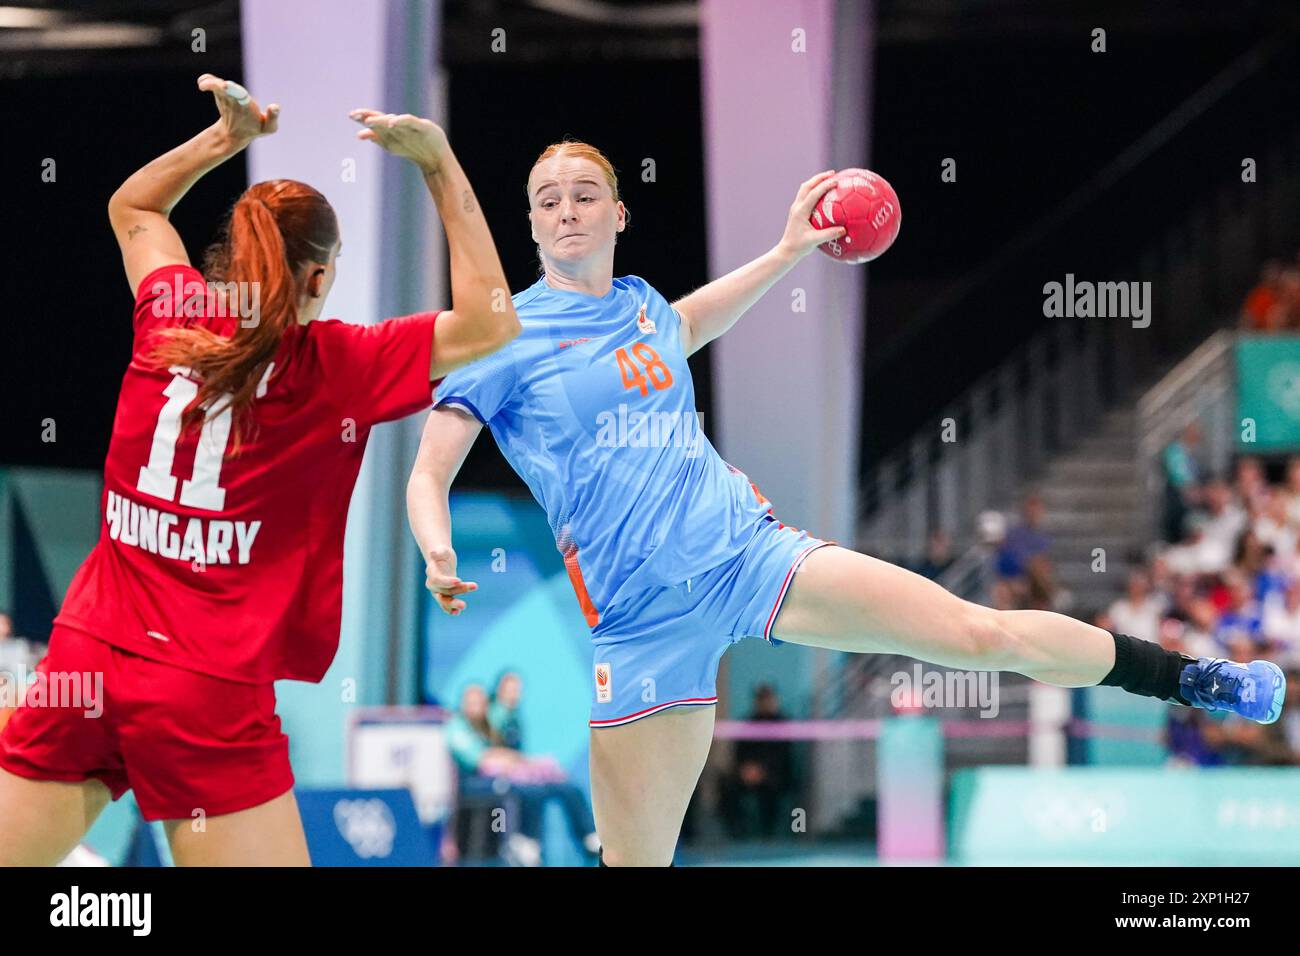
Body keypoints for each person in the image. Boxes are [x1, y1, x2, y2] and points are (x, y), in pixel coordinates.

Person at [405, 141, 1287, 866]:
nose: (566, 209)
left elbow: (687, 324)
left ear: (617, 214)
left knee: (983, 634)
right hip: (640, 626)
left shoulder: (640, 307)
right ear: (527, 223)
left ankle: (1194, 678)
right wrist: (436, 546)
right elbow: (428, 472)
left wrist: (788, 251)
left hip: (749, 559)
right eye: (548, 198)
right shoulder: (501, 343)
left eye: (584, 194)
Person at [0, 76, 519, 866]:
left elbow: (133, 209)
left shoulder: (170, 313)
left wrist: (226, 139)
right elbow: (491, 322)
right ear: (316, 278)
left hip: (88, 662)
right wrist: (439, 164)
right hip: (204, 692)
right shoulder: (336, 366)